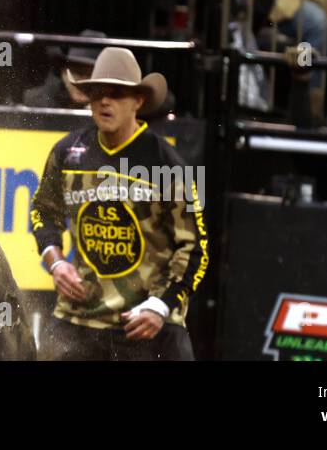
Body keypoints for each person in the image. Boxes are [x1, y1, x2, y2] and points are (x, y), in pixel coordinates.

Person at [31, 46, 205, 361]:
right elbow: (43, 212)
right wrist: (55, 262)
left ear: (138, 101)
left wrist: (160, 305)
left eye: (116, 94)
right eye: (97, 93)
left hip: (148, 321)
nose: (104, 102)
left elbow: (195, 248)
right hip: (80, 316)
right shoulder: (67, 153)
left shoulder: (169, 164)